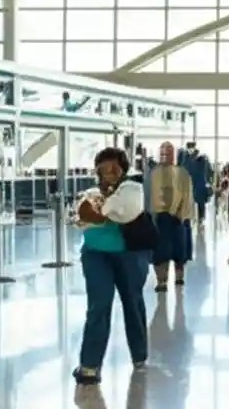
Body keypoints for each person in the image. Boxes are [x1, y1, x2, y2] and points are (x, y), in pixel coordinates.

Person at [73, 147, 150, 385]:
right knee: (99, 305)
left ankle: (139, 355)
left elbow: (124, 212)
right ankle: (89, 366)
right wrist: (96, 210)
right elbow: (84, 215)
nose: (109, 174)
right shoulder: (90, 193)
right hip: (96, 256)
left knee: (133, 302)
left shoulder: (132, 191)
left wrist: (106, 210)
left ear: (123, 170)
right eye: (103, 170)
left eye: (114, 169)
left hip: (130, 255)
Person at [150, 141, 194, 291]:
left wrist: (183, 214)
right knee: (160, 251)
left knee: (180, 250)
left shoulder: (182, 173)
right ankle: (161, 281)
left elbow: (187, 194)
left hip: (179, 218)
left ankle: (179, 277)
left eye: (168, 153)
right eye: (163, 153)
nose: (165, 156)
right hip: (160, 218)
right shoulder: (154, 173)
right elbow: (150, 194)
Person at [179, 142, 212, 228]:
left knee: (200, 202)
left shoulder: (201, 158)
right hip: (189, 183)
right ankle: (190, 219)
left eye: (191, 147)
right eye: (189, 148)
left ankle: (201, 219)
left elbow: (208, 171)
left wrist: (208, 182)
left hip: (199, 183)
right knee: (189, 201)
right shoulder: (185, 158)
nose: (190, 149)